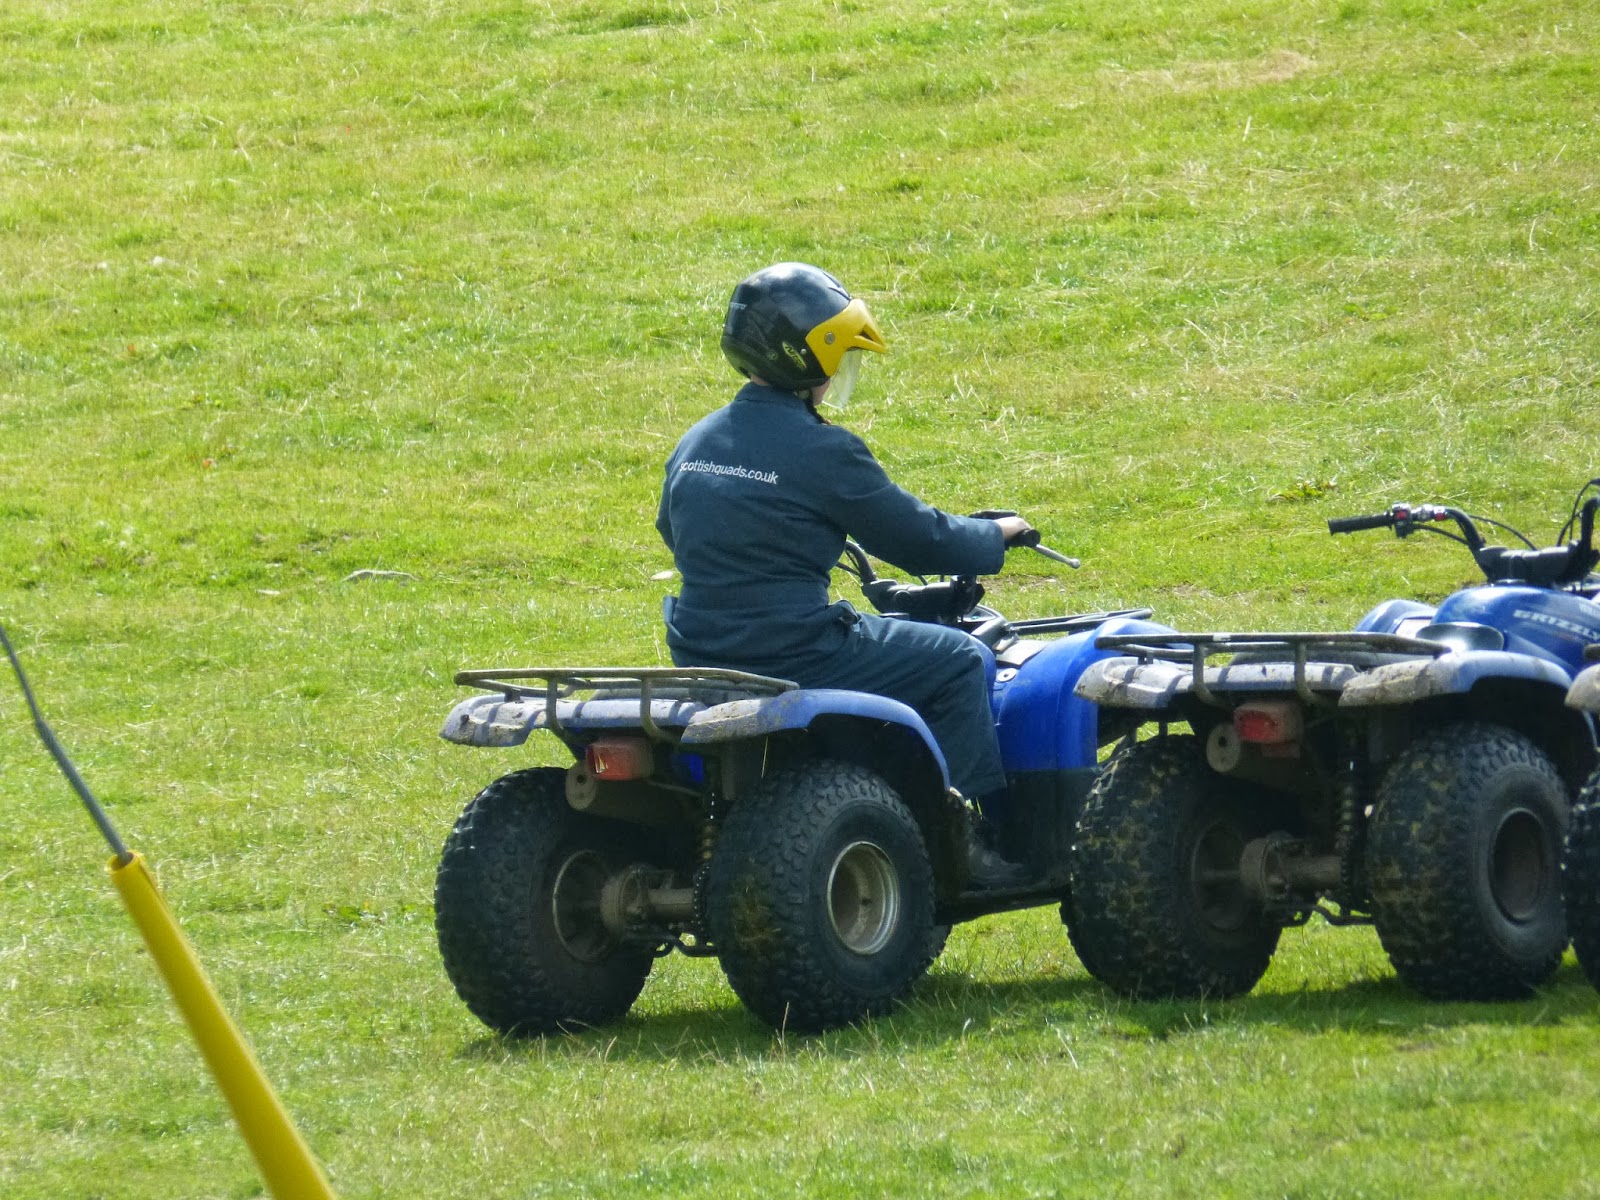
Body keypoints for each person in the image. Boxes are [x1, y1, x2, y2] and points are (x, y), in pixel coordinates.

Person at [655, 262, 1032, 888]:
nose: (837, 376)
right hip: (797, 650)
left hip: (700, 649)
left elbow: (675, 530)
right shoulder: (824, 451)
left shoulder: (696, 442)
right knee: (959, 659)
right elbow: (921, 537)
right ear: (805, 356)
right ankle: (964, 837)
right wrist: (996, 534)